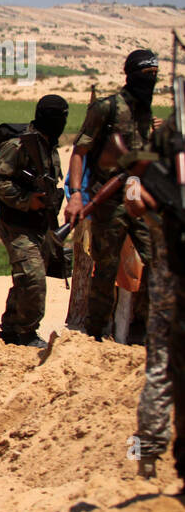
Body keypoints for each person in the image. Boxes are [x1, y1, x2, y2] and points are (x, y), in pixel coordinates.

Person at [65, 50, 160, 339]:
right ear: (130, 75)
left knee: (158, 260)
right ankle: (95, 335)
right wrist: (77, 195)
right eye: (146, 75)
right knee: (105, 269)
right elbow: (80, 152)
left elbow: (141, 155)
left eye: (155, 75)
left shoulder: (145, 112)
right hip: (107, 198)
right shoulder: (106, 109)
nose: (151, 81)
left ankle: (149, 330)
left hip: (136, 193)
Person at [123, 98, 183, 482]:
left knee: (160, 368)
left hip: (169, 283)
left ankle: (144, 456)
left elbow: (133, 197)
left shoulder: (159, 177)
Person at [0, 95, 69, 347]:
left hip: (41, 223)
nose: (62, 122)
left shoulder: (48, 145)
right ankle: (27, 332)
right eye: (58, 117)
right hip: (16, 223)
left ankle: (11, 329)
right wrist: (26, 199)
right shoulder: (19, 145)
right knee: (33, 278)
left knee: (26, 278)